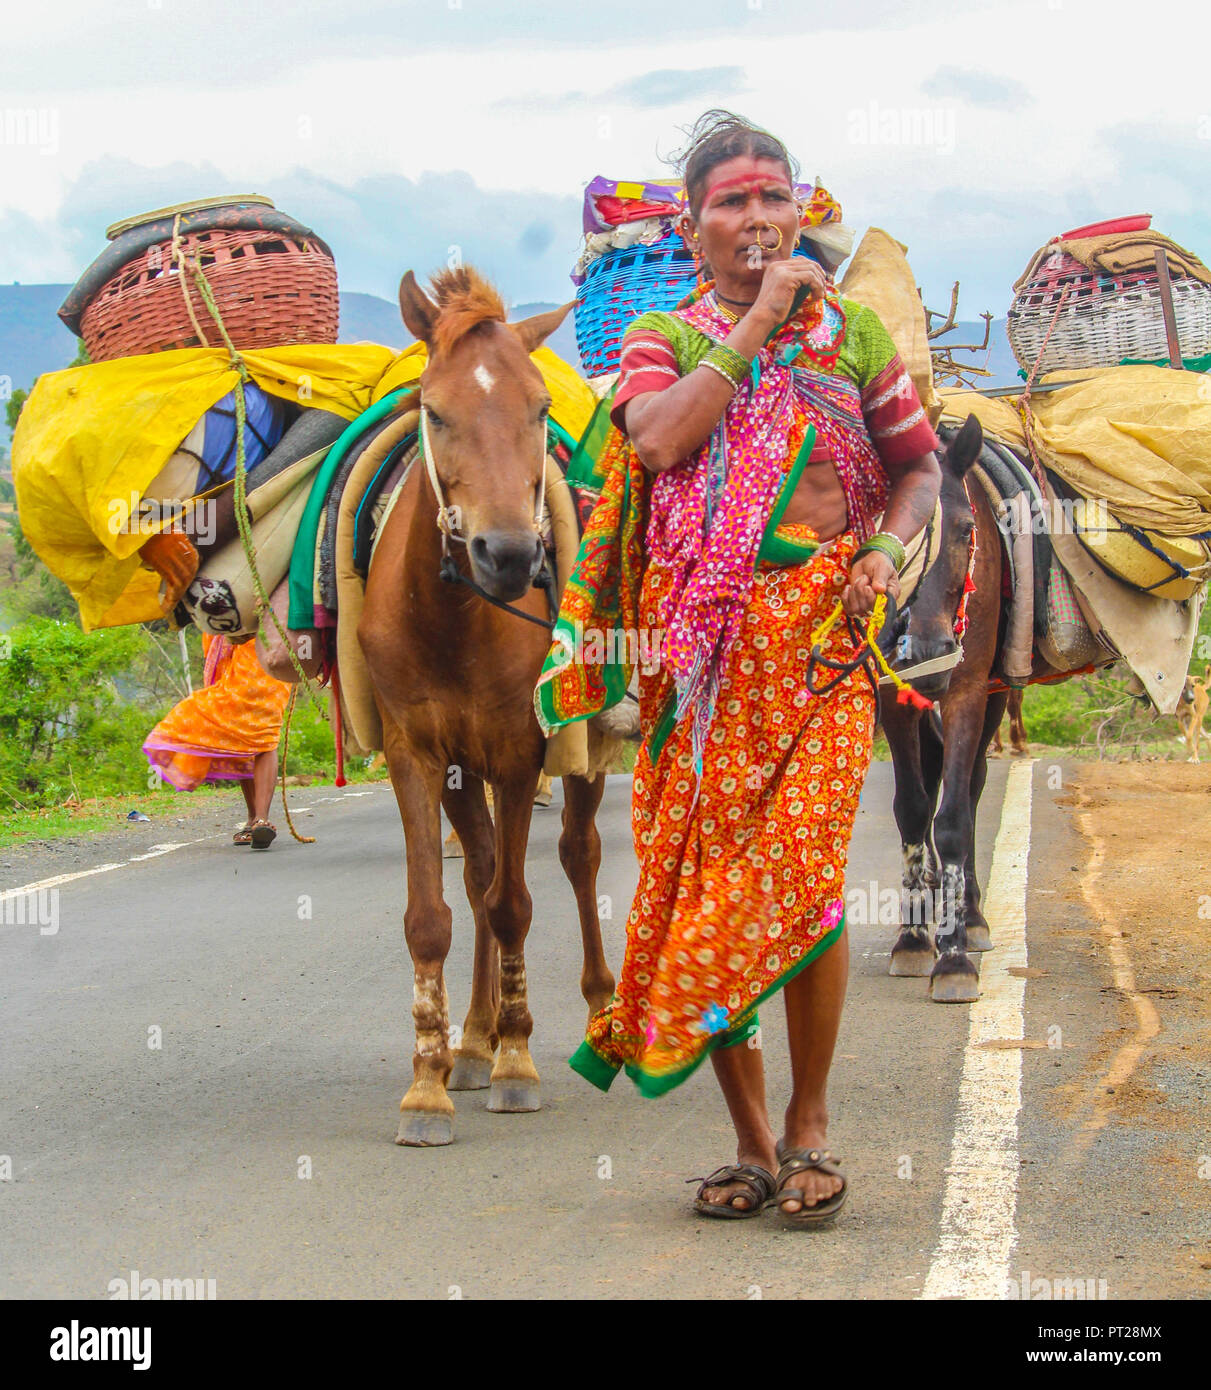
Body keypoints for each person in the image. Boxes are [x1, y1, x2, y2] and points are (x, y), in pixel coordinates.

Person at [535, 110, 942, 1225]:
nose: (754, 217)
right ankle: (751, 1142)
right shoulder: (660, 338)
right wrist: (757, 321)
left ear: (800, 208)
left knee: (798, 882)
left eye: (773, 196)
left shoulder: (855, 336)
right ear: (692, 223)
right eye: (730, 201)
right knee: (710, 890)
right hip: (697, 664)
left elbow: (916, 468)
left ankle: (810, 1123)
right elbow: (658, 439)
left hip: (819, 642)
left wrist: (890, 551)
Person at [143, 633, 291, 848]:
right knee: (240, 732)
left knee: (263, 732)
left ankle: (259, 818)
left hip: (269, 646)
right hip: (238, 648)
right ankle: (255, 819)